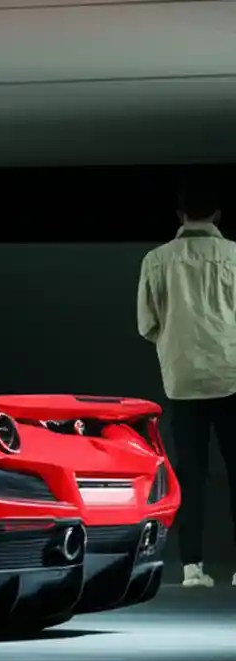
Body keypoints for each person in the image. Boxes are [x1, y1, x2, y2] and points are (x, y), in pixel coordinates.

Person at [137, 177, 236, 588]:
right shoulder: (235, 255)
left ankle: (193, 567)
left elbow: (147, 325)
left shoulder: (156, 259)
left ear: (180, 215)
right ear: (217, 215)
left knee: (190, 474)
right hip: (233, 376)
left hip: (183, 381)